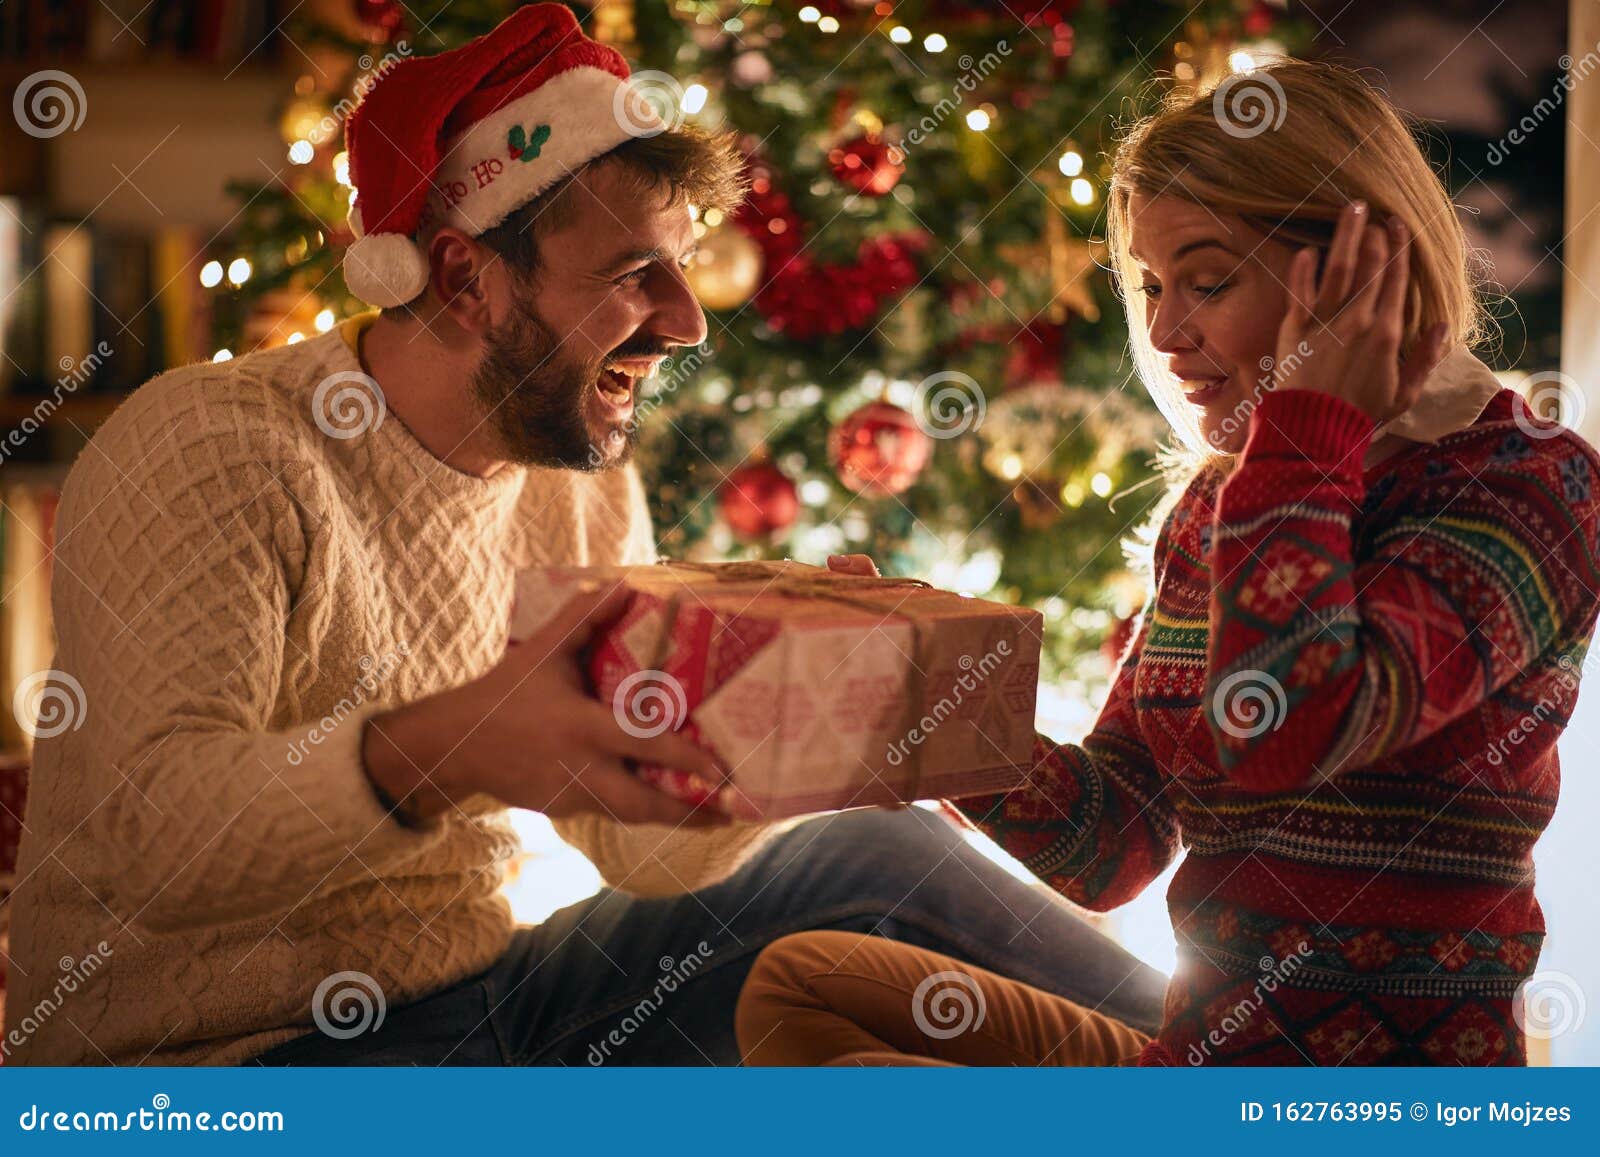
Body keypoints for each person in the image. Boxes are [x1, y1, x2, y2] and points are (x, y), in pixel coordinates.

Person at [1, 5, 1166, 1067]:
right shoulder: (214, 447)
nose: (687, 319)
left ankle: (1241, 1069)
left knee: (869, 860)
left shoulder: (573, 466)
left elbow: (634, 856)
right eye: (631, 274)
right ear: (462, 277)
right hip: (225, 1063)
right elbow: (145, 845)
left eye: (684, 266)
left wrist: (776, 733)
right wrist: (443, 748)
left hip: (490, 995)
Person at [738, 59, 1600, 1067]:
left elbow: (1290, 723)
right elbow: (1114, 837)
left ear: (1363, 269)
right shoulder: (1225, 498)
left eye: (1207, 280)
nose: (1162, 331)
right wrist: (917, 677)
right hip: (1199, 1065)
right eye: (1150, 285)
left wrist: (1306, 432)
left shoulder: (1531, 486)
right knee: (806, 987)